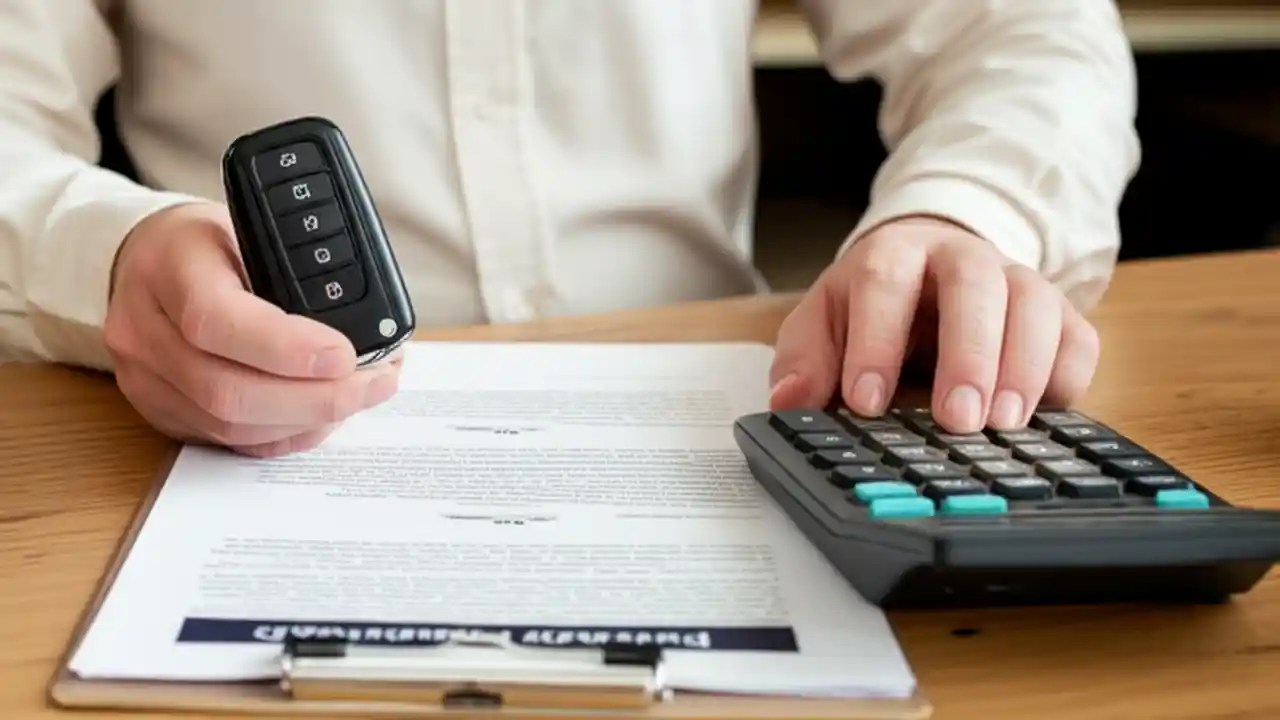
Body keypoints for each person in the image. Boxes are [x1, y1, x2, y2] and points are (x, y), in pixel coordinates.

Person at [0, 1, 1139, 457]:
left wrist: (963, 211)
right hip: (243, 424)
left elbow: (1021, 30)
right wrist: (107, 255)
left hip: (734, 413)